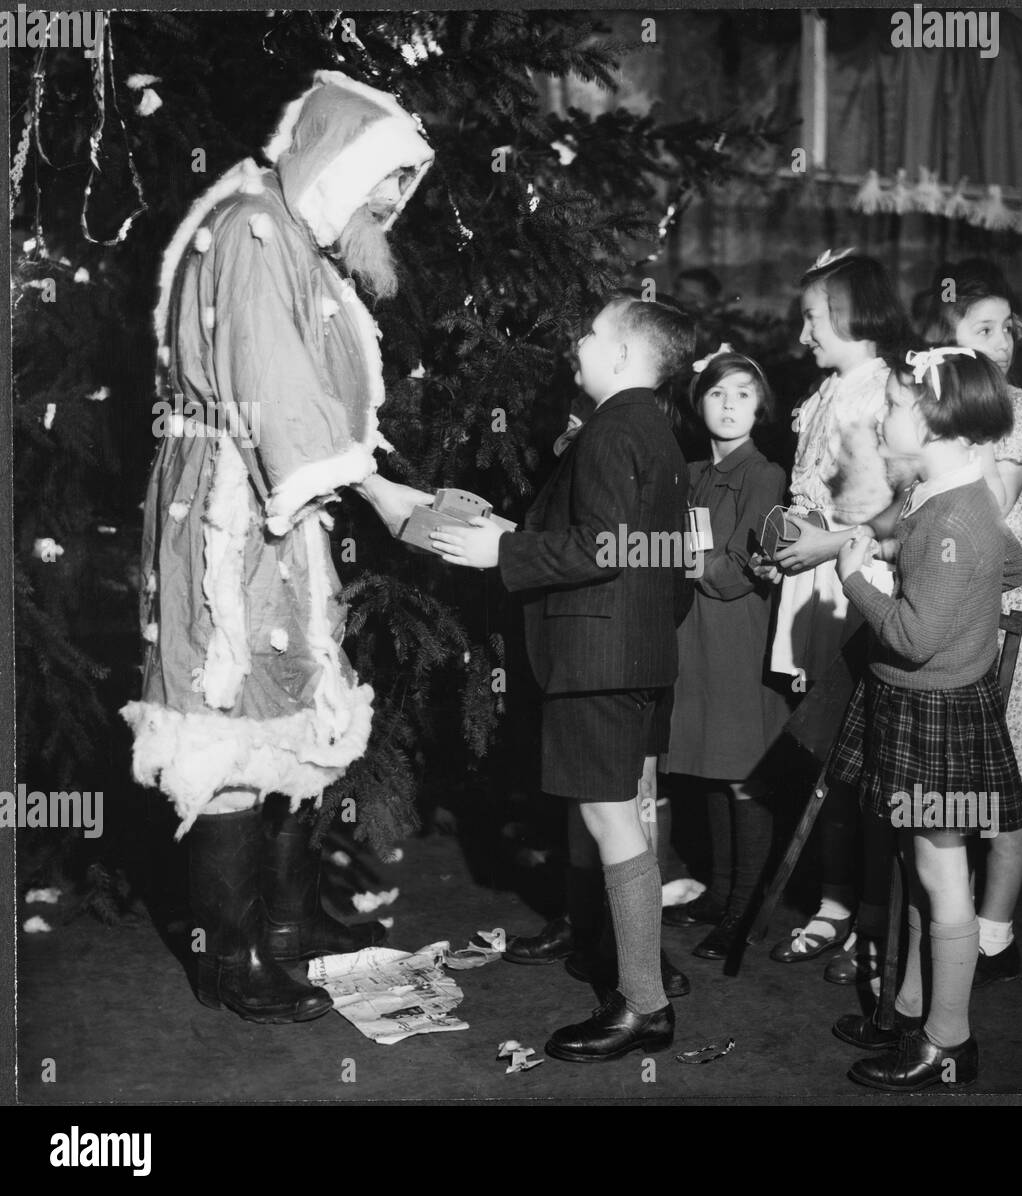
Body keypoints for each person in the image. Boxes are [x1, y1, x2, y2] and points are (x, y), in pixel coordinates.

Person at [120, 71, 436, 1023]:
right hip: (228, 505)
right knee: (224, 715)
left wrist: (367, 481)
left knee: (293, 703)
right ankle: (233, 960)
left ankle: (287, 936)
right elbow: (276, 384)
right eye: (385, 182)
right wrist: (379, 491)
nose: (394, 204)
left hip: (278, 507)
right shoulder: (257, 232)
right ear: (334, 165)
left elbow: (312, 388)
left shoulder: (290, 229)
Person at [430, 294, 695, 1062]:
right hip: (635, 652)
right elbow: (653, 558)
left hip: (597, 658)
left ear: (621, 356)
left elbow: (605, 546)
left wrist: (502, 554)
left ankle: (642, 1006)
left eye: (591, 333)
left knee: (614, 824)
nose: (576, 343)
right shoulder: (657, 431)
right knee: (623, 820)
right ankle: (636, 982)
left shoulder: (614, 429)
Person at [827, 347, 1022, 1091]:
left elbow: (910, 636)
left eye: (898, 407)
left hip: (934, 711)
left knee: (942, 876)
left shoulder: (952, 515)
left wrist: (856, 578)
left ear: (939, 422)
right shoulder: (952, 497)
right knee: (923, 863)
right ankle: (914, 1005)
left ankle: (949, 1039)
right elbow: (1014, 569)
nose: (885, 417)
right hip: (926, 707)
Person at [917, 264, 1022, 986]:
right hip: (937, 602)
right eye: (983, 327)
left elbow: (989, 499)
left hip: (1012, 608)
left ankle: (995, 934)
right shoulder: (917, 405)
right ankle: (938, 929)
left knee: (1014, 773)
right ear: (942, 339)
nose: (1003, 339)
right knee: (941, 774)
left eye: (1007, 327)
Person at [763, 249, 911, 979]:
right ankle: (834, 900)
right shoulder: (828, 391)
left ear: (854, 314)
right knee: (830, 753)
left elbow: (900, 511)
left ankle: (878, 917)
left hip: (862, 582)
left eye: (814, 318)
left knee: (871, 756)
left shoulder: (890, 392)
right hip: (814, 586)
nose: (803, 334)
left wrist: (827, 541)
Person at [660, 346, 789, 960]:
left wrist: (682, 559)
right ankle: (718, 890)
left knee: (741, 774)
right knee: (708, 767)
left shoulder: (764, 475)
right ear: (699, 401)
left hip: (737, 635)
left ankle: (744, 909)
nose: (730, 404)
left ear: (760, 406)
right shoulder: (689, 472)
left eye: (743, 393)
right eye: (717, 392)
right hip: (694, 635)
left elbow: (738, 571)